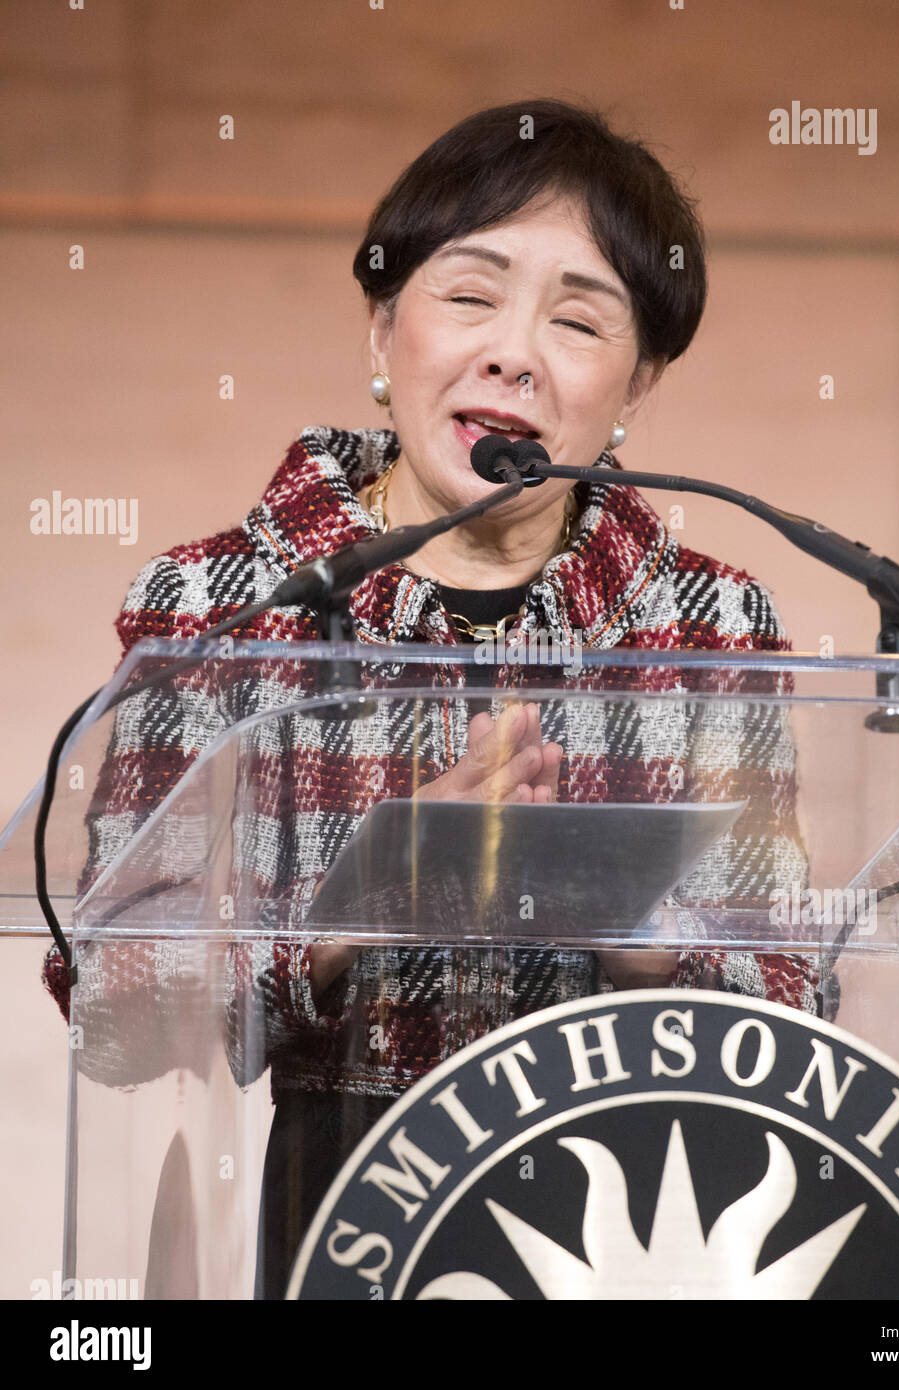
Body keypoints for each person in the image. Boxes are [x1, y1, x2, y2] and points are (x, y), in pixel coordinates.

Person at [43, 99, 821, 1299]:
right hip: (332, 1220)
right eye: (471, 295)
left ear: (637, 383)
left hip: (631, 1231)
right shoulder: (220, 608)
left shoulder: (712, 620)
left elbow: (797, 998)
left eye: (577, 319)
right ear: (382, 325)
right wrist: (364, 905)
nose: (514, 352)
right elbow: (114, 1010)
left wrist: (637, 928)